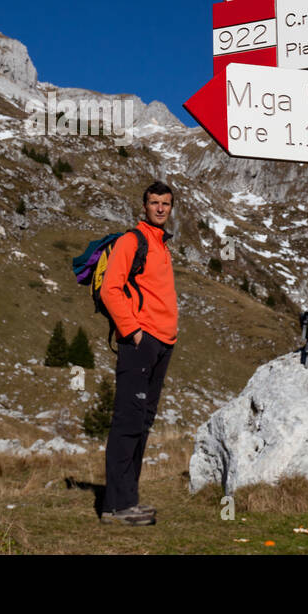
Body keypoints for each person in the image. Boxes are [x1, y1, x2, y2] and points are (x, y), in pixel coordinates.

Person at [99, 180, 178, 525]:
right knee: (128, 421)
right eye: (154, 202)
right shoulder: (133, 241)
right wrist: (133, 332)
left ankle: (129, 500)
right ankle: (113, 506)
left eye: (166, 203)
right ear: (144, 206)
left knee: (142, 423)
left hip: (163, 343)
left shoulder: (161, 245)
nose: (160, 208)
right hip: (140, 344)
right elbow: (109, 288)